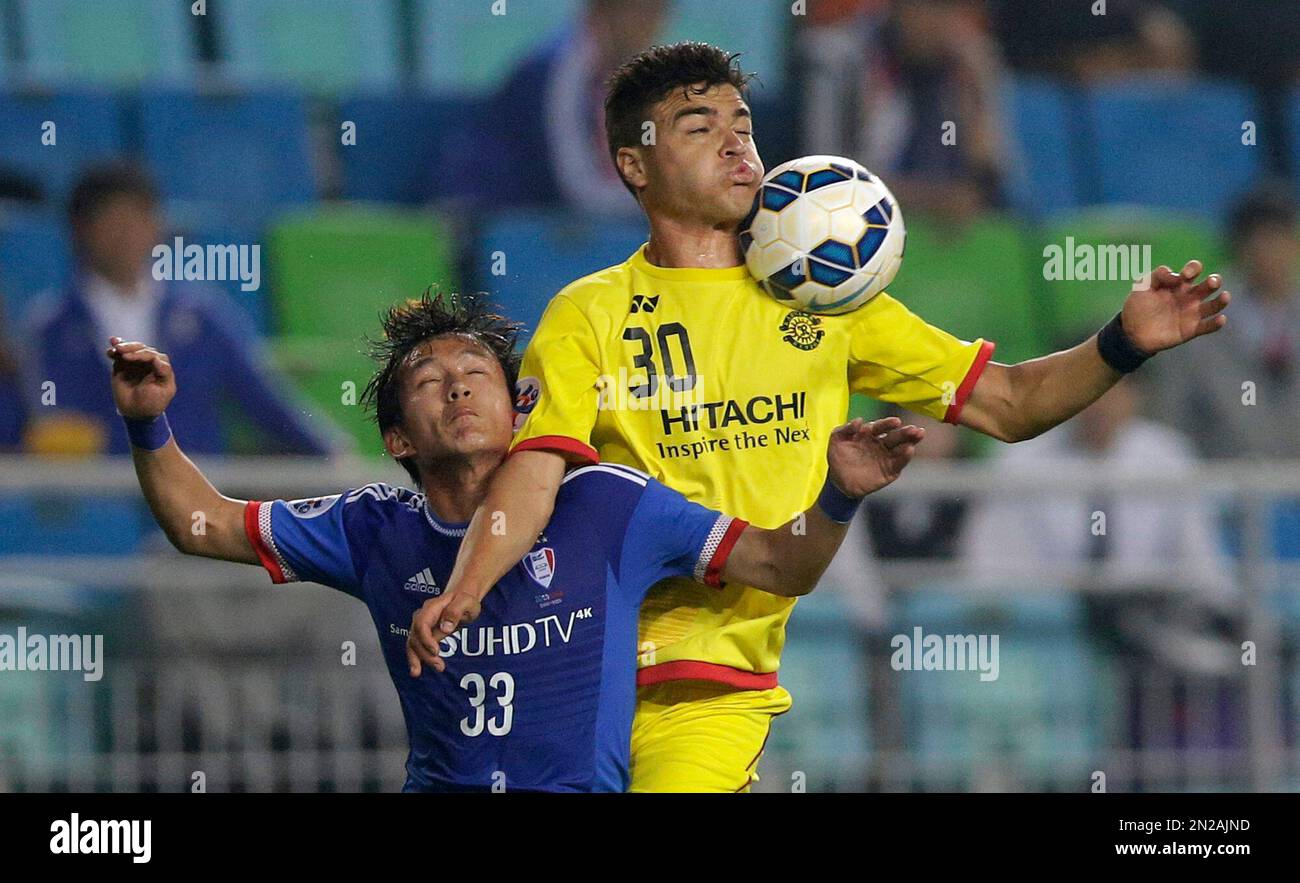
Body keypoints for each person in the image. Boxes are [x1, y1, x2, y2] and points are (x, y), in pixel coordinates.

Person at [420, 42, 1231, 792]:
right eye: (700, 127)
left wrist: (1123, 342)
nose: (737, 144)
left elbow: (1011, 403)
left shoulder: (826, 293)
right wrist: (467, 590)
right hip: (575, 673)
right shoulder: (588, 312)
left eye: (744, 125)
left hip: (710, 681)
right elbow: (536, 470)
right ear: (633, 163)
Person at [111, 290, 925, 792]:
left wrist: (837, 494)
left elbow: (783, 563)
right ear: (399, 439)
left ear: (520, 410)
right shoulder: (373, 526)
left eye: (475, 372)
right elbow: (201, 523)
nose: (458, 383)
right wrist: (149, 423)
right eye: (428, 381)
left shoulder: (609, 506)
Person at [26, 162, 337, 456]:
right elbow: (49, 424)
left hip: (197, 500)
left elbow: (263, 400)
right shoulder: (51, 326)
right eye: (111, 221)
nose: (125, 235)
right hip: (100, 504)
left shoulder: (201, 316)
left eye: (136, 219)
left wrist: (333, 455)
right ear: (80, 230)